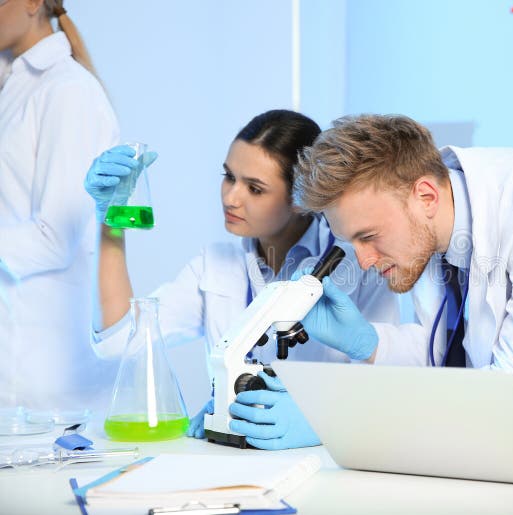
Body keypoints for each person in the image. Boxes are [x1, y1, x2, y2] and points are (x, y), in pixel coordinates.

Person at [84, 109, 402, 450]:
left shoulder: (361, 267)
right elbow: (120, 340)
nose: (230, 197)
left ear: (301, 199)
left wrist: (319, 420)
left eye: (255, 188)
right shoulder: (216, 265)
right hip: (233, 460)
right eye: (229, 176)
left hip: (327, 464)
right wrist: (110, 223)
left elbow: (384, 392)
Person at [291, 114, 513, 422]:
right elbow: (441, 353)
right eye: (352, 242)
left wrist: (341, 415)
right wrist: (368, 344)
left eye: (369, 236)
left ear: (426, 197)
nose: (364, 261)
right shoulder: (434, 219)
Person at [0, 0, 119, 411]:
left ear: (33, 3)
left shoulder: (67, 90)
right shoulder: (13, 86)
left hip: (42, 384)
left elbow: (55, 237)